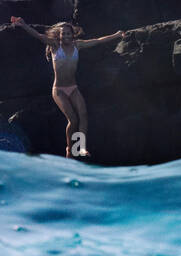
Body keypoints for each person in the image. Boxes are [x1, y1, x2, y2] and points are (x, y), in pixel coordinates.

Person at [10, 16, 123, 157]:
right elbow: (38, 35)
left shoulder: (78, 45)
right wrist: (23, 24)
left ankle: (81, 148)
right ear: (59, 35)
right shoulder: (54, 45)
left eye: (68, 33)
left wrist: (116, 35)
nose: (66, 36)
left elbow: (97, 41)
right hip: (58, 90)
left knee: (83, 115)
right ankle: (69, 148)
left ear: (72, 34)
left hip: (73, 88)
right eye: (63, 33)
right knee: (73, 120)